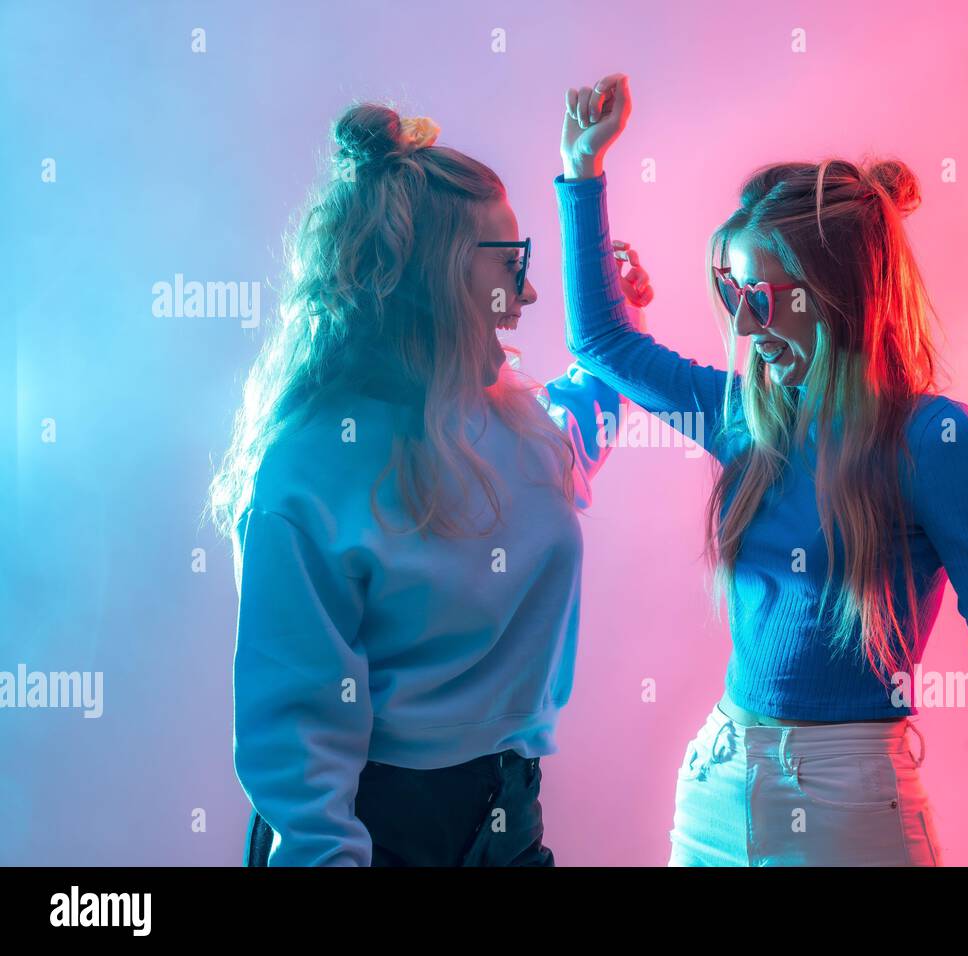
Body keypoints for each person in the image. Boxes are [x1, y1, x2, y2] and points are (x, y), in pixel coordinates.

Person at [553, 73, 968, 866]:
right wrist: (582, 172)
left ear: (837, 294)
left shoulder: (934, 441)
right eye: (731, 293)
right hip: (715, 789)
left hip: (847, 807)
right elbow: (603, 344)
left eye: (765, 298)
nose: (746, 328)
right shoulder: (745, 420)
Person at [206, 103, 646, 866]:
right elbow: (296, 736)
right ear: (435, 281)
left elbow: (583, 417)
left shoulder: (511, 422)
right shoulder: (303, 476)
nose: (529, 296)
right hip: (366, 832)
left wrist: (623, 309)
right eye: (512, 265)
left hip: (507, 817)